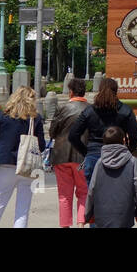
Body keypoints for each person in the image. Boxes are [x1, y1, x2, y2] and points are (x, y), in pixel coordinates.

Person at [0, 86, 46, 228]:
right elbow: (40, 145)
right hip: (27, 166)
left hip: (5, 165)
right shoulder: (35, 119)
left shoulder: (2, 116)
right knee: (22, 210)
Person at [66, 78, 137, 183]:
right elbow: (135, 137)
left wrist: (86, 152)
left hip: (94, 156)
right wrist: (128, 150)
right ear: (116, 91)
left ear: (99, 90)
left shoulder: (89, 111)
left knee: (93, 196)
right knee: (118, 195)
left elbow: (73, 135)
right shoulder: (126, 110)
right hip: (118, 156)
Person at [85, 126, 137, 229]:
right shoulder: (133, 161)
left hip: (102, 216)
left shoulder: (100, 163)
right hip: (124, 216)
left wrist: (88, 214)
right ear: (124, 140)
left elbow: (91, 190)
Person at [49, 78, 90, 228]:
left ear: (71, 92)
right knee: (83, 191)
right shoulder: (91, 109)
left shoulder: (63, 108)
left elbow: (52, 132)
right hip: (82, 157)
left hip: (62, 156)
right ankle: (81, 223)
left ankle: (65, 226)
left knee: (64, 195)